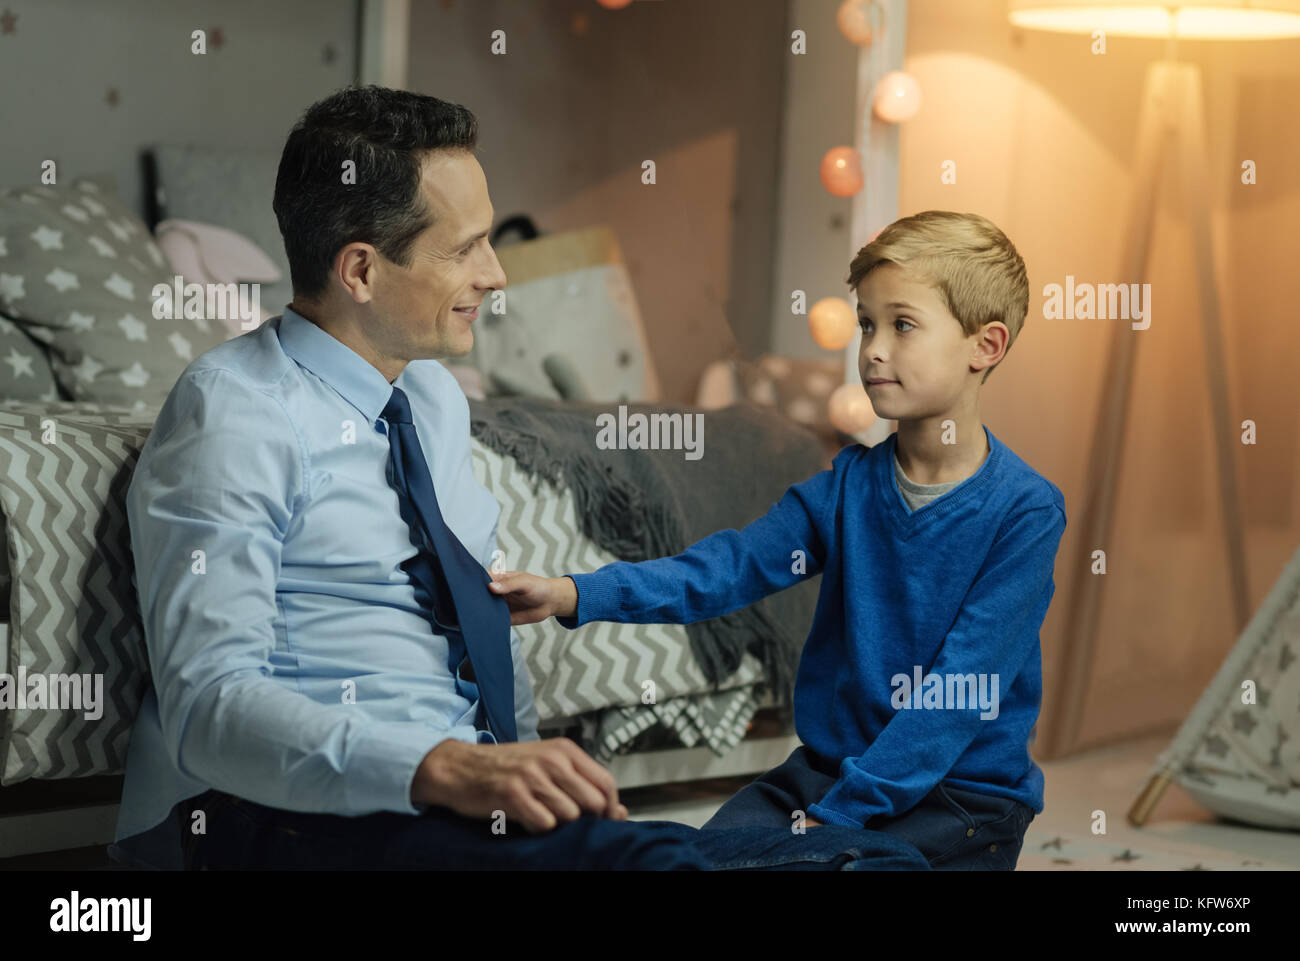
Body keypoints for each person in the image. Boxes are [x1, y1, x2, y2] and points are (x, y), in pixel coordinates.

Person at [107, 85, 928, 872]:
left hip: (452, 806)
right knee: (645, 862)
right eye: (465, 248)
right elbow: (208, 707)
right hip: (280, 816)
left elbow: (480, 630)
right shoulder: (233, 412)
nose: (497, 275)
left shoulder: (430, 397)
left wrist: (515, 770)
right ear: (360, 271)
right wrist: (442, 767)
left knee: (886, 854)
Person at [491, 210, 1067, 870]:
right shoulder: (846, 488)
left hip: (959, 803)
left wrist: (836, 819)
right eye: (868, 324)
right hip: (827, 773)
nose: (874, 348)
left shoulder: (1025, 512)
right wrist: (574, 592)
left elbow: (956, 695)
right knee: (697, 861)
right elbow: (727, 567)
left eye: (903, 324)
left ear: (985, 346)